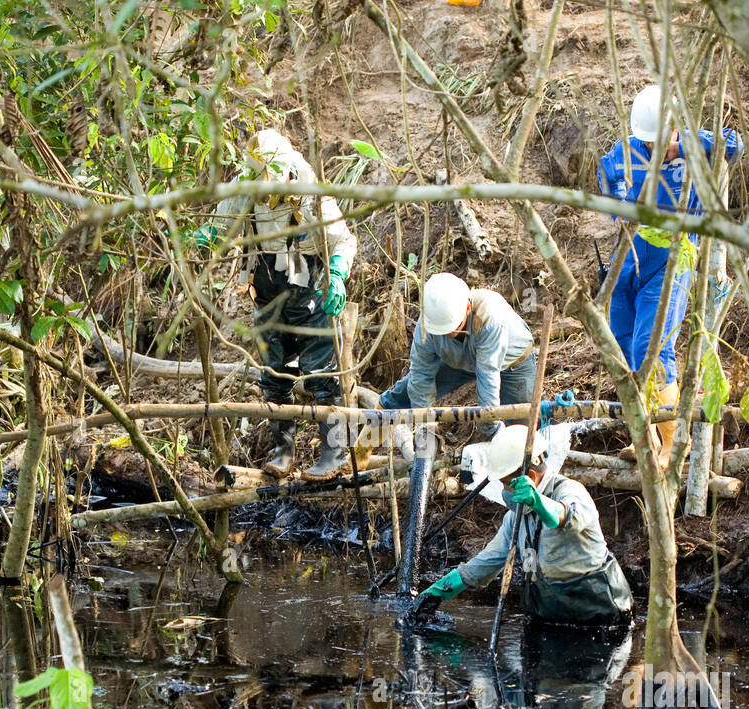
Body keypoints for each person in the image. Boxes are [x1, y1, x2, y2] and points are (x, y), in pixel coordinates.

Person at [195, 129, 357, 480]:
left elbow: (344, 240)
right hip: (266, 289)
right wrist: (203, 239)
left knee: (320, 371)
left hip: (310, 288)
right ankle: (282, 451)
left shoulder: (312, 191)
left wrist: (339, 274)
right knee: (272, 373)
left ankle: (335, 452)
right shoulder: (246, 185)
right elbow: (221, 227)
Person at [597, 85, 743, 467]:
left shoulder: (694, 150)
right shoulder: (625, 153)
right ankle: (644, 438)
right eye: (648, 142)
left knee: (653, 346)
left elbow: (735, 146)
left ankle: (673, 442)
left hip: (672, 259)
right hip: (628, 258)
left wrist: (688, 146)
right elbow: (607, 178)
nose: (653, 149)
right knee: (623, 345)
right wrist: (618, 210)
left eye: (660, 141)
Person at [419, 424, 632, 625]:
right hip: (549, 619)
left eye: (505, 484)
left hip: (600, 619)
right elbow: (482, 566)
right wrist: (436, 592)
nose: (504, 492)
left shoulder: (570, 492)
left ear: (530, 476)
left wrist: (537, 502)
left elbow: (566, 518)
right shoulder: (515, 519)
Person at [378, 273, 535, 437]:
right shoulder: (429, 323)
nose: (447, 334)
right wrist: (426, 427)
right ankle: (366, 440)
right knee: (403, 393)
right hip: (462, 360)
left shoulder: (489, 317)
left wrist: (490, 427)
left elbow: (488, 376)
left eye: (452, 328)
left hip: (513, 364)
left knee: (520, 429)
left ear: (467, 309)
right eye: (442, 331)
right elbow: (421, 374)